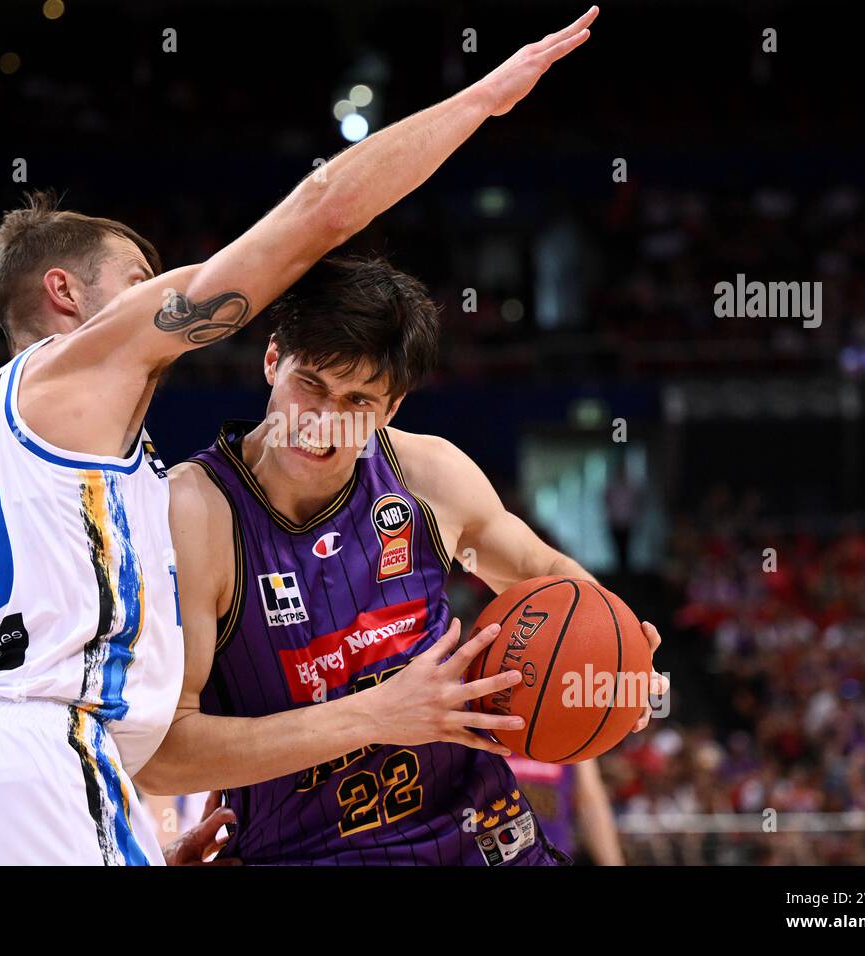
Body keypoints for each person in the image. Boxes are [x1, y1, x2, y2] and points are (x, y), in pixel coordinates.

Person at [0, 7, 604, 865]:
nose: (162, 296)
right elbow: (322, 209)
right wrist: (480, 101)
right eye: (141, 280)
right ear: (68, 295)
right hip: (45, 759)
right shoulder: (89, 369)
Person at [137, 253, 664, 864]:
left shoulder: (426, 474)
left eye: (358, 400)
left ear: (391, 407)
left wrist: (620, 658)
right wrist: (374, 716)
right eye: (310, 384)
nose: (323, 423)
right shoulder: (195, 512)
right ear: (272, 360)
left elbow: (546, 573)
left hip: (488, 843)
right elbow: (163, 755)